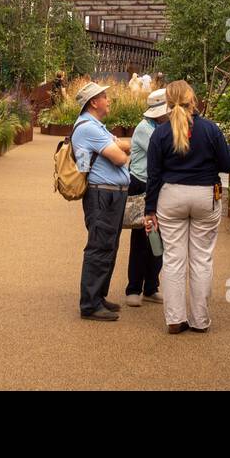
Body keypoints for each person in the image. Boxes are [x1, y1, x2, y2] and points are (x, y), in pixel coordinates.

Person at [143, 80, 230, 334]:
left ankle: (175, 319)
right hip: (205, 196)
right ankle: (200, 320)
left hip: (170, 197)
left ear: (168, 102)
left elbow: (153, 175)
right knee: (201, 259)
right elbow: (227, 163)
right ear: (194, 100)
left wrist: (149, 210)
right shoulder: (210, 129)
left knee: (173, 259)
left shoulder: (161, 133)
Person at [71, 81, 132, 321]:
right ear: (94, 102)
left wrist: (119, 146)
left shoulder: (96, 126)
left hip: (108, 193)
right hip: (102, 195)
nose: (109, 100)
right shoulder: (89, 128)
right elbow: (119, 158)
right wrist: (119, 148)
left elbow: (122, 146)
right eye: (105, 96)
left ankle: (98, 297)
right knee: (100, 246)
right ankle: (90, 304)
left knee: (109, 245)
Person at [124, 88, 167, 306]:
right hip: (142, 185)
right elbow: (164, 153)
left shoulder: (162, 126)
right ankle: (133, 288)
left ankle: (151, 286)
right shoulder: (145, 128)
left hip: (158, 186)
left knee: (159, 239)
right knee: (142, 238)